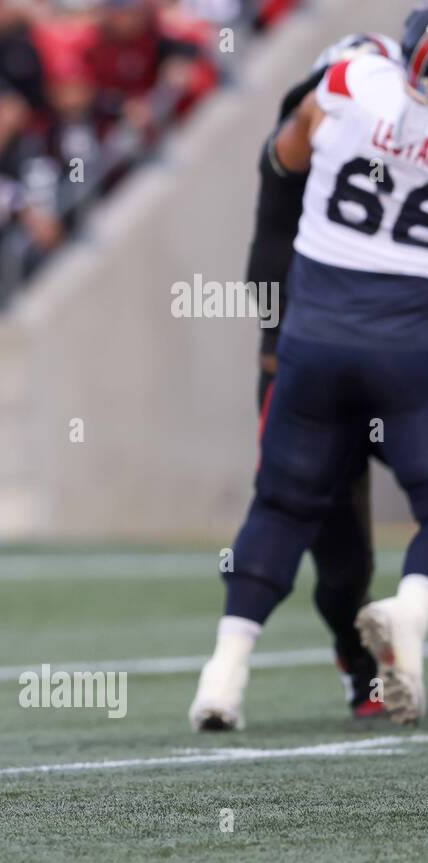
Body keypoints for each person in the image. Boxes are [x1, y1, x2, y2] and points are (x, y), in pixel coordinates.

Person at [189, 10, 428, 730]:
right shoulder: (356, 75)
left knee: (282, 505)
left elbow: (288, 153)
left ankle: (225, 670)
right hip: (404, 349)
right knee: (348, 548)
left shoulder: (348, 82)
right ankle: (402, 624)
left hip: (313, 341)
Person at [239, 32, 401, 720]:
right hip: (314, 368)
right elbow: (266, 267)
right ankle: (355, 656)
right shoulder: (293, 158)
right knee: (340, 558)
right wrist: (282, 364)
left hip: (403, 358)